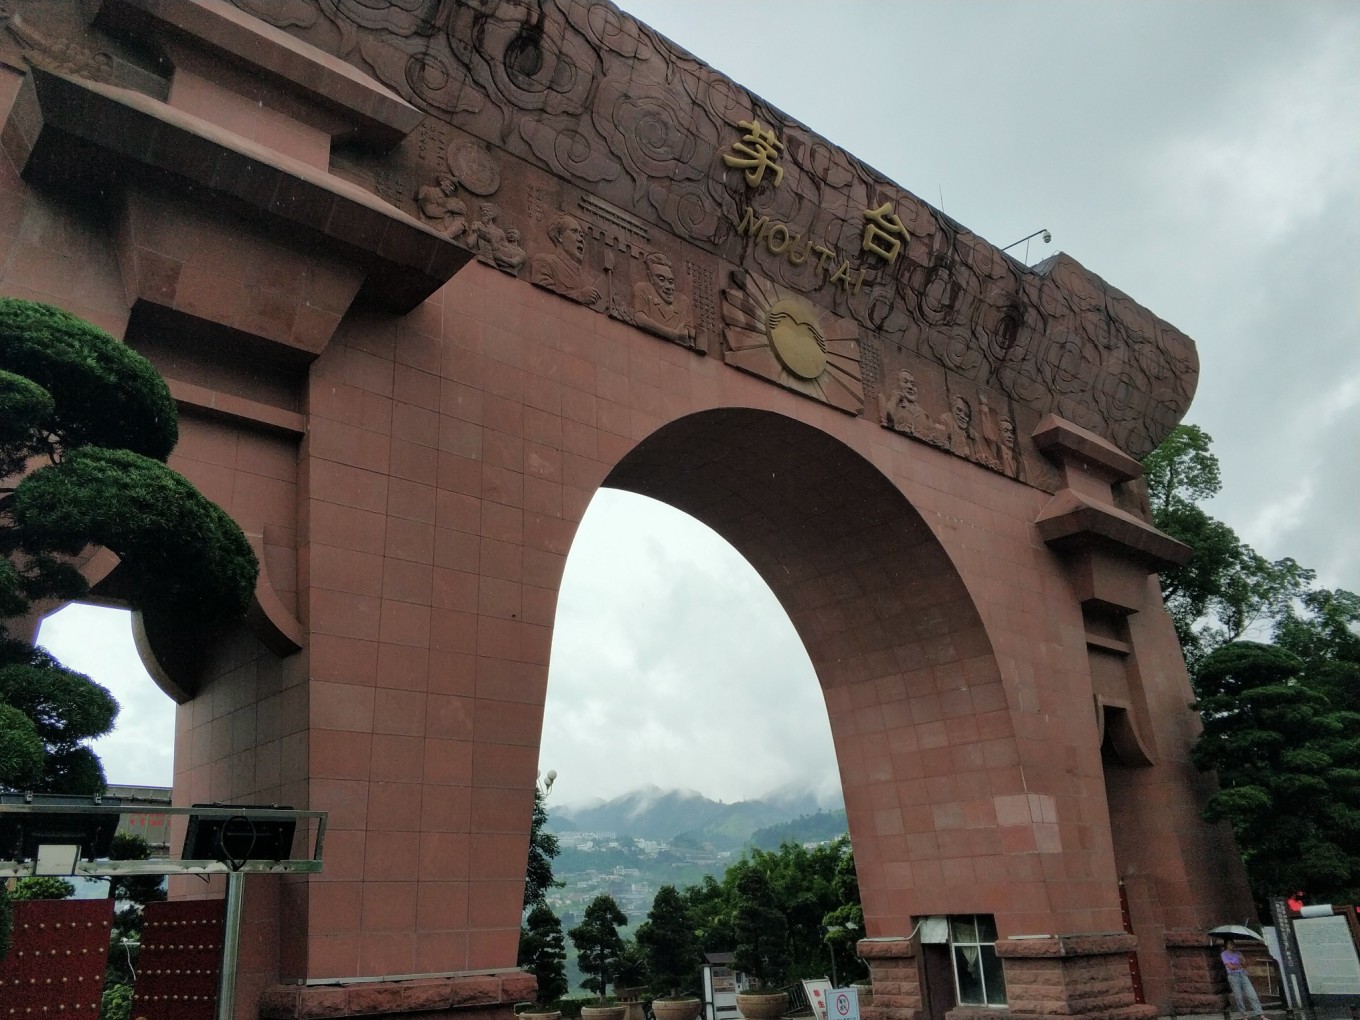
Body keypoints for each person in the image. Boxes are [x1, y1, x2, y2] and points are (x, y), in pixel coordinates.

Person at [530, 212, 603, 309]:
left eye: (581, 235)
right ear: (559, 235)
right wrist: (579, 296)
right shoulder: (544, 262)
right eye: (574, 232)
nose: (580, 239)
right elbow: (543, 298)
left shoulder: (585, 278)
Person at [631, 252, 694, 344]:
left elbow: (688, 333)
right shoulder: (643, 289)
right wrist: (673, 334)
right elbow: (640, 319)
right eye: (661, 280)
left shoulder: (683, 302)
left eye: (671, 282)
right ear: (651, 278)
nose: (668, 287)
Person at [1220, 938, 1265, 1020]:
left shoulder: (1238, 953)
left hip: (1243, 974)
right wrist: (1239, 965)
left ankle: (1260, 1014)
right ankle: (1244, 1016)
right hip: (1233, 976)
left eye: (1233, 943)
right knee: (1239, 997)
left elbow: (1245, 965)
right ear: (1226, 945)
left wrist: (1242, 960)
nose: (1233, 945)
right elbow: (1230, 967)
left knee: (1252, 994)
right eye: (1230, 944)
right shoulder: (1224, 954)